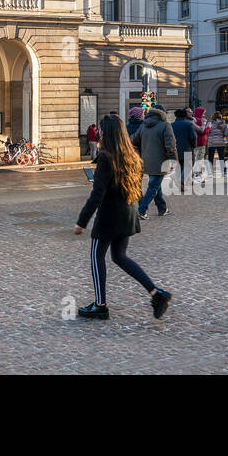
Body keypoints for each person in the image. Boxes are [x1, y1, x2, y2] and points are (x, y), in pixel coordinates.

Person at [73, 114, 172, 321]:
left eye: (100, 129)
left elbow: (97, 196)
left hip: (109, 216)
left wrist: (82, 221)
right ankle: (156, 293)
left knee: (97, 257)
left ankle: (100, 305)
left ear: (106, 133)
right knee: (120, 256)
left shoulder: (106, 158)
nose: (99, 132)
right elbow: (136, 190)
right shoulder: (132, 156)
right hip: (127, 213)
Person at [134, 107, 176, 218]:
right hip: (160, 162)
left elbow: (133, 139)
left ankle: (162, 208)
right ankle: (141, 210)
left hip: (145, 160)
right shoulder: (165, 125)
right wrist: (173, 160)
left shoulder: (143, 125)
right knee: (153, 186)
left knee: (156, 185)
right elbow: (170, 146)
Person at [171, 108, 197, 192]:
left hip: (176, 149)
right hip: (187, 148)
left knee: (180, 166)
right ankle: (181, 180)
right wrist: (193, 145)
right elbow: (193, 137)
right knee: (189, 166)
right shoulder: (188, 124)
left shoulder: (171, 125)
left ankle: (180, 182)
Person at [205, 112, 228, 177]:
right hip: (220, 142)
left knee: (210, 158)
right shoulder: (224, 124)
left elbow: (206, 132)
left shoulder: (210, 123)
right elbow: (226, 134)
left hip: (211, 143)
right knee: (221, 157)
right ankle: (224, 172)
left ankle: (210, 173)